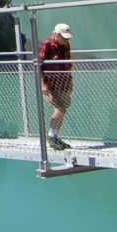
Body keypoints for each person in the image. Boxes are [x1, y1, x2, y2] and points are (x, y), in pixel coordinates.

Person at [38, 22, 75, 151]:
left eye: (67, 38)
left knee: (63, 109)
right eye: (64, 37)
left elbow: (67, 63)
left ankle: (54, 136)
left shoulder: (66, 45)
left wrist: (70, 80)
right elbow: (38, 65)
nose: (66, 40)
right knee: (59, 108)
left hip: (65, 82)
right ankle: (51, 136)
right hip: (51, 84)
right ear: (56, 34)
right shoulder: (47, 44)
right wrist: (43, 84)